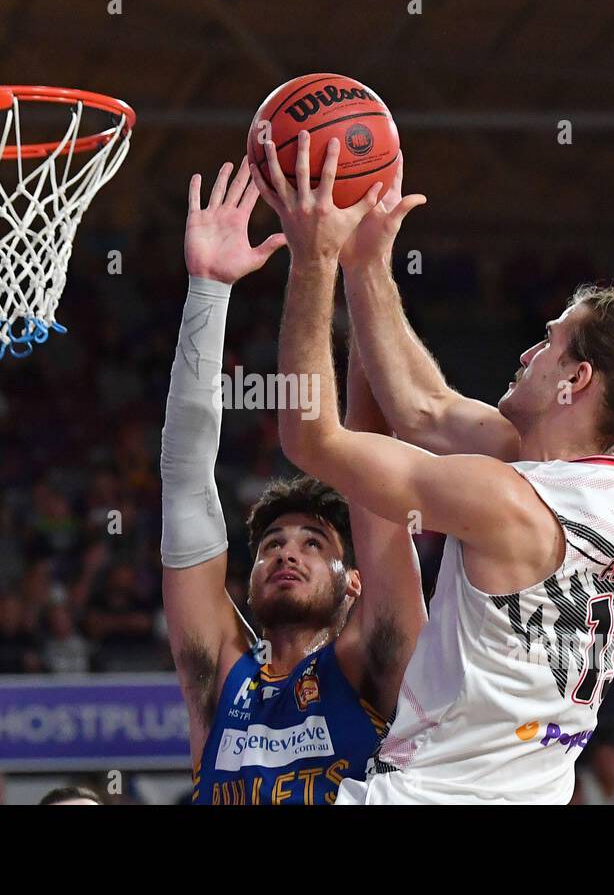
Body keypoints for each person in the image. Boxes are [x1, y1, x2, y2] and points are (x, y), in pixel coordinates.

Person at [252, 136, 614, 803]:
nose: (526, 351)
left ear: (574, 380)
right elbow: (422, 406)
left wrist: (312, 260)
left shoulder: (509, 502)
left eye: (547, 343)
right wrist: (367, 264)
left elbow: (311, 437)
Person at [161, 158, 426, 805]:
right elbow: (186, 477)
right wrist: (208, 290)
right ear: (248, 583)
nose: (286, 551)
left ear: (353, 582)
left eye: (315, 543)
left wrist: (363, 270)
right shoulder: (220, 675)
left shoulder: (370, 664)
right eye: (274, 543)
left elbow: (376, 474)